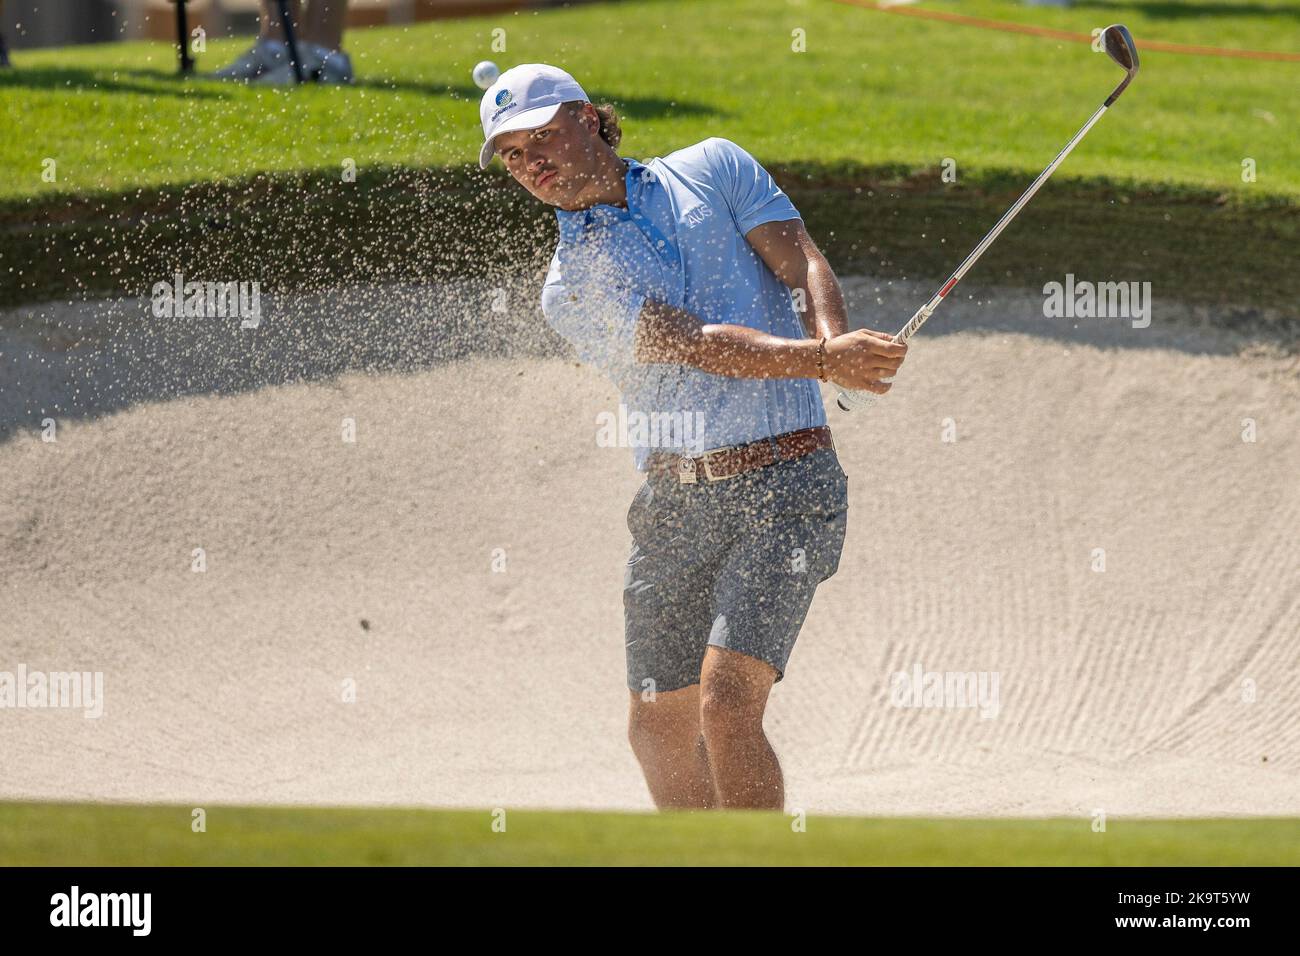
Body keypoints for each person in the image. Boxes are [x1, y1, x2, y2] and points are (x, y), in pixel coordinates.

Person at [478, 64, 906, 811]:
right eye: (512, 155)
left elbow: (799, 261)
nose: (531, 164)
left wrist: (837, 346)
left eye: (542, 136)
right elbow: (695, 343)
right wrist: (820, 360)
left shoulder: (714, 165)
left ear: (587, 118)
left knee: (727, 704)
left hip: (788, 485)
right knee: (655, 727)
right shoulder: (570, 285)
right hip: (674, 507)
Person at [208, 0, 352, 84]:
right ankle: (277, 47)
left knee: (322, 47)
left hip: (326, 57)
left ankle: (324, 55)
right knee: (278, 39)